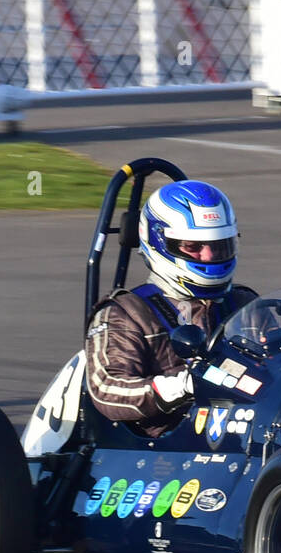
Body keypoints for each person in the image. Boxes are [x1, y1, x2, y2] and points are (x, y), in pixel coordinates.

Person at [85, 179, 256, 437]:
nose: (209, 256)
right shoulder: (125, 314)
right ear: (160, 243)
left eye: (219, 245)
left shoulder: (246, 305)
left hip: (248, 430)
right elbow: (107, 389)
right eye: (194, 247)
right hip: (170, 448)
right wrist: (179, 387)